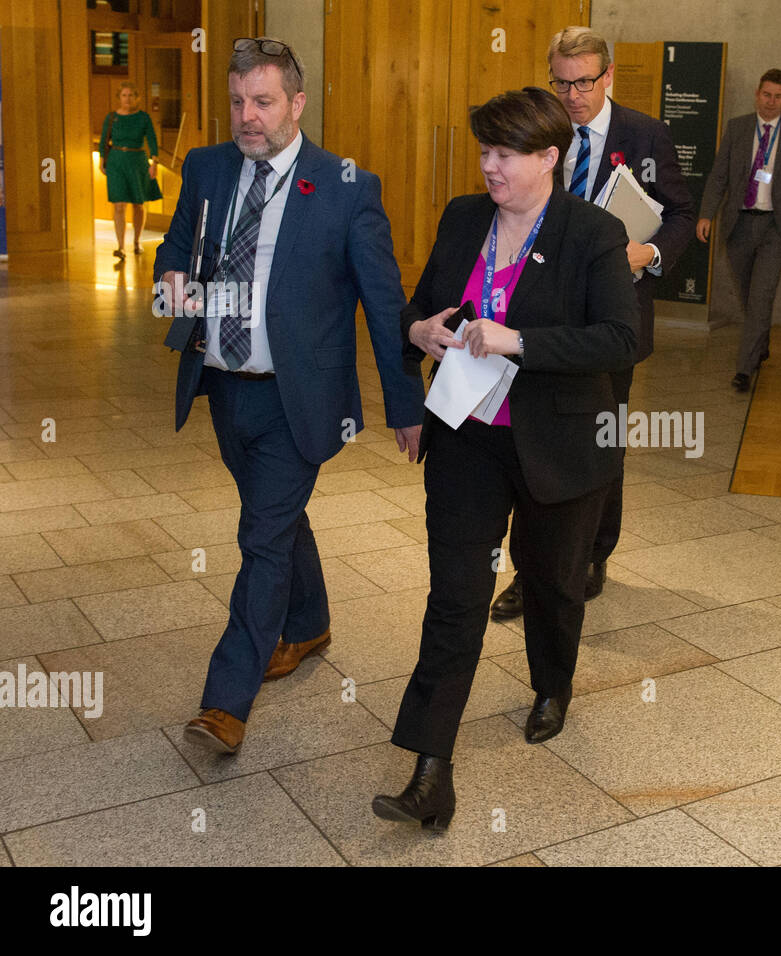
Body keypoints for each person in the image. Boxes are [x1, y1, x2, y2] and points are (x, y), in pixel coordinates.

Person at [372, 87, 639, 829]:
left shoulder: (592, 233)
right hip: (468, 437)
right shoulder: (465, 218)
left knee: (552, 581)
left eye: (505, 154)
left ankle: (552, 684)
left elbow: (623, 338)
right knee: (455, 598)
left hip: (559, 443)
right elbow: (421, 306)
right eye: (483, 151)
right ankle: (431, 771)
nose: (489, 167)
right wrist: (417, 330)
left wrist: (519, 340)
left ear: (549, 157)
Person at [154, 37, 424, 754]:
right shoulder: (209, 167)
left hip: (297, 396)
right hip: (222, 383)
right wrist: (171, 280)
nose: (248, 116)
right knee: (272, 514)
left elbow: (383, 298)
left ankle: (225, 703)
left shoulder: (344, 186)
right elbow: (176, 247)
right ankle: (307, 624)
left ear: (297, 104)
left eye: (263, 102)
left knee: (260, 537)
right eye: (238, 101)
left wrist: (406, 406)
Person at [490, 26, 693, 623]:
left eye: (583, 82)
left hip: (610, 321)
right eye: (561, 81)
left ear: (608, 77)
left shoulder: (646, 134)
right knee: (530, 444)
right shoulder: (541, 129)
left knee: (601, 441)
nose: (572, 94)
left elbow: (681, 211)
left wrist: (647, 254)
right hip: (537, 320)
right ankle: (528, 571)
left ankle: (592, 554)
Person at [697, 69, 781, 393]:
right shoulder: (737, 128)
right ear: (757, 93)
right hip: (739, 223)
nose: (771, 102)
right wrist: (706, 214)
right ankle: (760, 342)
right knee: (749, 297)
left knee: (761, 299)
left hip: (776, 228)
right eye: (767, 95)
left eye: (778, 96)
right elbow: (719, 175)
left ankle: (744, 370)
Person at [99, 82, 160, 259]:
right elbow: (104, 140)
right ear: (119, 97)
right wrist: (102, 160)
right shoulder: (111, 117)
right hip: (117, 160)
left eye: (131, 95)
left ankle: (136, 241)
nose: (127, 99)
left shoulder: (143, 118)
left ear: (137, 98)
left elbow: (152, 139)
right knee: (118, 204)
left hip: (137, 160)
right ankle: (120, 246)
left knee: (138, 204)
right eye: (124, 95)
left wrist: (154, 161)